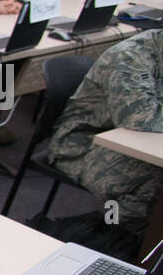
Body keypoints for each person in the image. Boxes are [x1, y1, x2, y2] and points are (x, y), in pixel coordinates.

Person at [48, 29, 163, 236]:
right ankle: (123, 240)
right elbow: (140, 118)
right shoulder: (132, 55)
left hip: (135, 141)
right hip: (82, 145)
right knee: (155, 182)